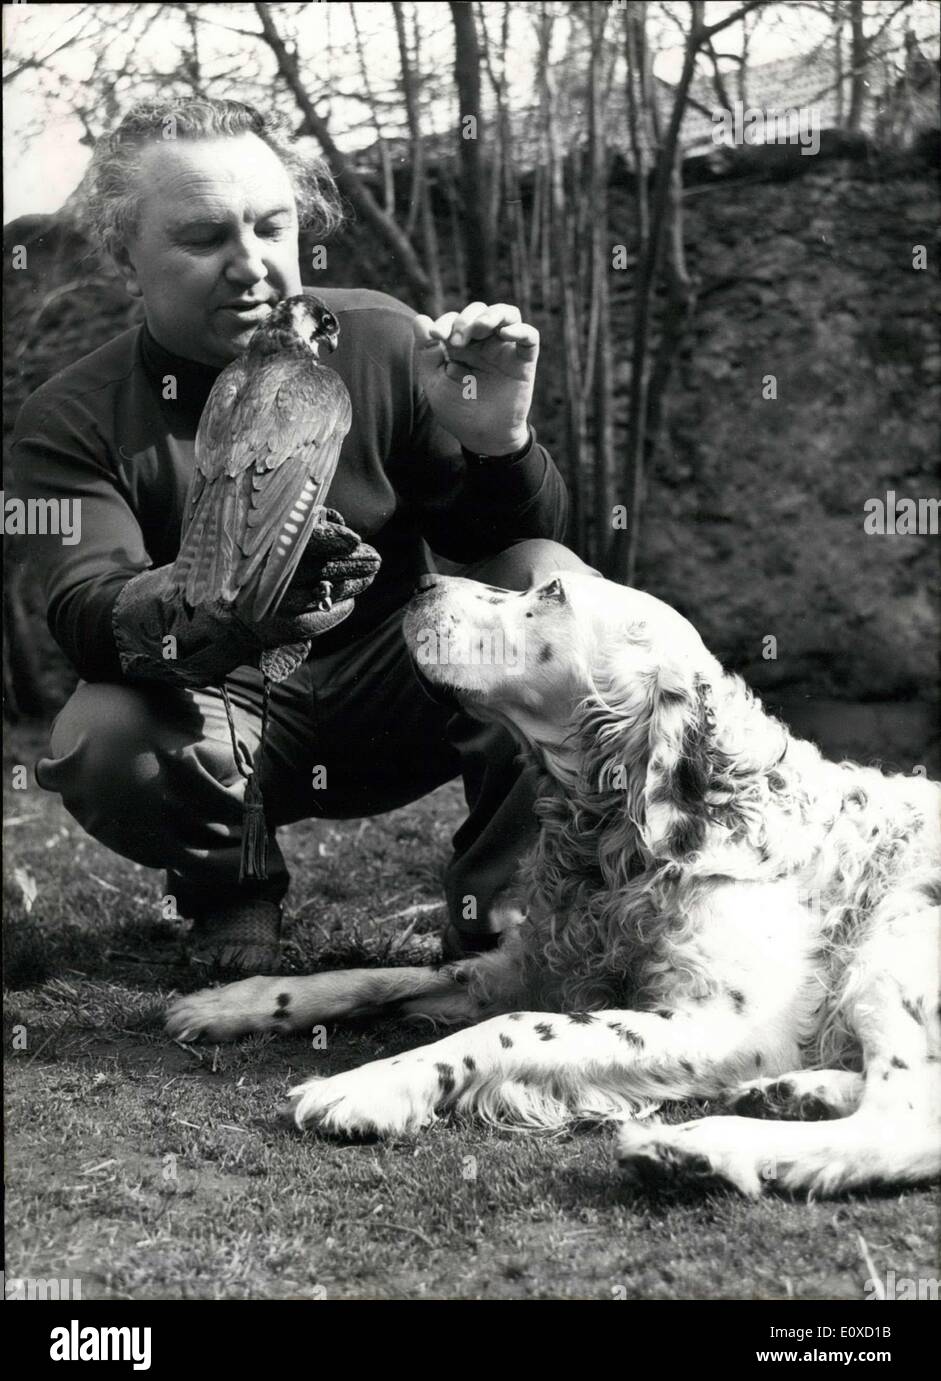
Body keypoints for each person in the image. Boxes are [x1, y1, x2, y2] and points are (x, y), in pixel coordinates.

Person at [13, 97, 596, 974]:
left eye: (271, 228)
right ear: (124, 255)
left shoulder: (382, 341)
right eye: (205, 237)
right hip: (219, 711)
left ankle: (497, 923)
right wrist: (222, 595)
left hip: (401, 683)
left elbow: (506, 550)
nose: (250, 266)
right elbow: (87, 615)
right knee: (102, 734)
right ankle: (230, 894)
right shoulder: (73, 417)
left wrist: (499, 444)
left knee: (551, 593)